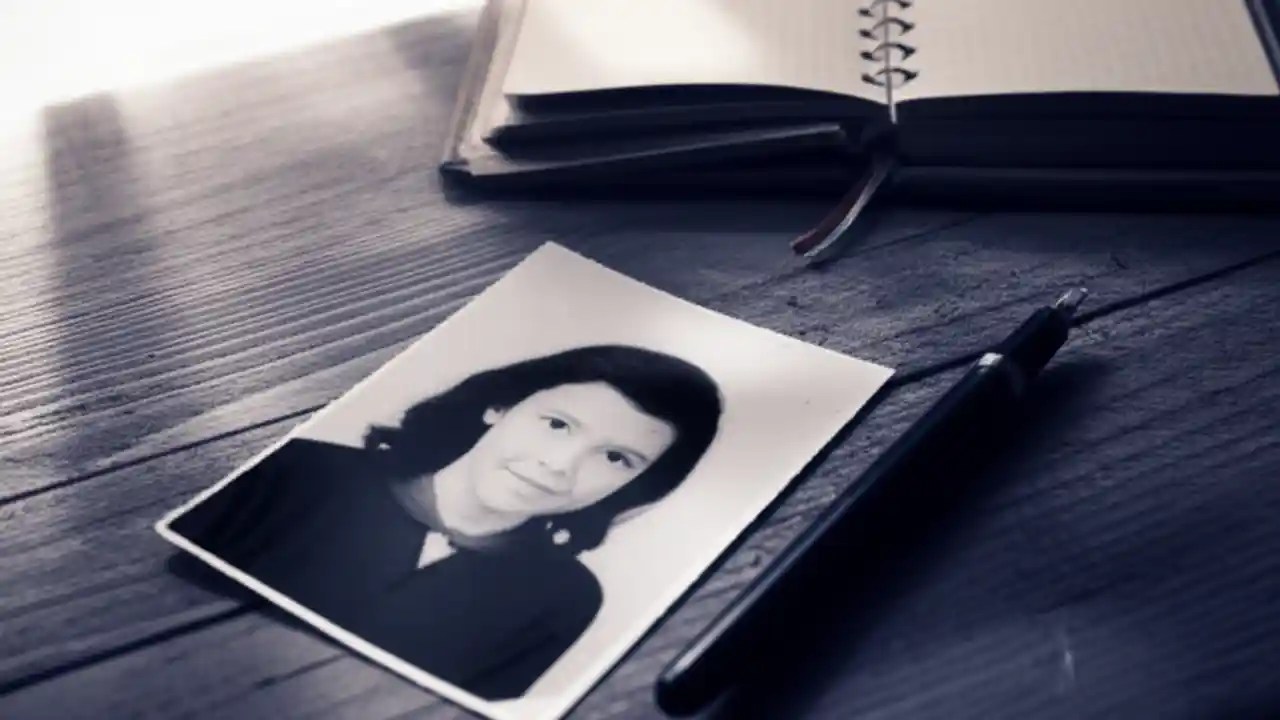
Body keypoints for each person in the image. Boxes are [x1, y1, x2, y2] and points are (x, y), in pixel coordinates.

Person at [167, 345, 722, 700]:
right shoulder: (299, 469)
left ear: (635, 486)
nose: (560, 465)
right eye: (557, 424)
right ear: (499, 408)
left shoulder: (566, 597)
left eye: (615, 458)